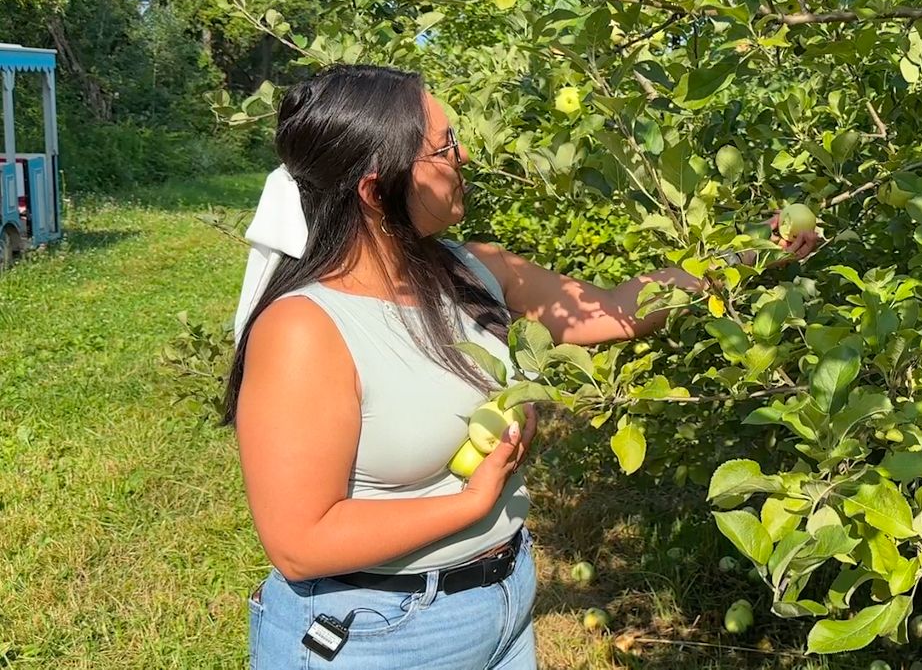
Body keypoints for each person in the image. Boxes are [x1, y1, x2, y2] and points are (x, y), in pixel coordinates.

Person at [225, 63, 819, 669]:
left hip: (503, 601)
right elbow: (300, 542)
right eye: (444, 147)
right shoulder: (304, 329)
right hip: (378, 631)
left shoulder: (471, 270)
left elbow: (615, 308)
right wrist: (472, 503)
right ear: (376, 190)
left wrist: (751, 251)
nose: (463, 158)